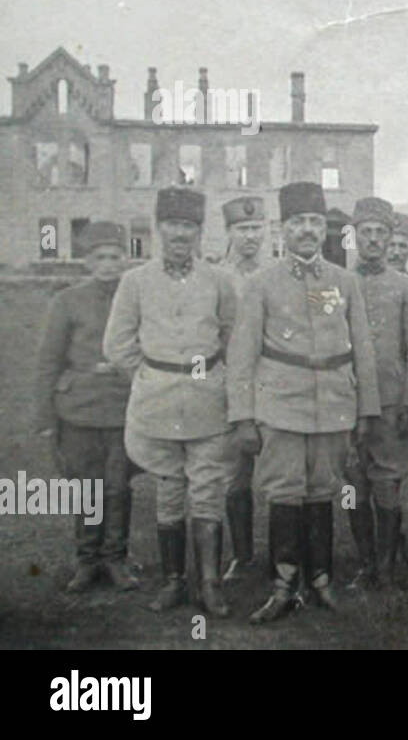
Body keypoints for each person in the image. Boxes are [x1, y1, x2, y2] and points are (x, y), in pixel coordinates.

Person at [227, 181, 383, 624]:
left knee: (323, 491)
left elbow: (363, 349)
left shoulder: (344, 281)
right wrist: (242, 416)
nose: (308, 231)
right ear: (283, 228)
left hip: (333, 403)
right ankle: (283, 584)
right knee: (284, 492)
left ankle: (320, 579)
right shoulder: (261, 283)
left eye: (315, 222)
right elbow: (242, 353)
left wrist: (365, 409)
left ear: (324, 227)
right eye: (298, 223)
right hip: (281, 404)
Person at [104, 187, 238, 617]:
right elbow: (118, 345)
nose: (181, 233)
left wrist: (219, 381)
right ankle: (173, 581)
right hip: (156, 402)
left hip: (208, 401)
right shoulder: (135, 281)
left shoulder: (218, 280)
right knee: (168, 490)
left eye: (189, 226)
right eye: (173, 225)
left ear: (199, 232)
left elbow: (232, 337)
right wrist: (151, 375)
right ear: (159, 228)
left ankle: (211, 584)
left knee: (208, 489)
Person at [35, 221, 139, 593]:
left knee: (117, 487)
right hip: (78, 409)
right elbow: (48, 360)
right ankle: (86, 559)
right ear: (87, 262)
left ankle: (115, 559)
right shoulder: (67, 301)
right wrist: (45, 417)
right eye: (100, 258)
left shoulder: (136, 297)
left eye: (115, 257)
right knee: (85, 488)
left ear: (125, 259)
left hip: (122, 408)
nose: (108, 264)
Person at [343, 198, 408, 590]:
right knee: (351, 484)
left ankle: (387, 566)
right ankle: (365, 561)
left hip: (391, 402)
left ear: (391, 237)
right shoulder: (338, 282)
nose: (374, 240)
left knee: (387, 481)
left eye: (381, 233)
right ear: (354, 236)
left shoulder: (407, 287)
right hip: (345, 401)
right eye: (366, 232)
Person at [216, 196, 267, 583]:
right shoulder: (217, 277)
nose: (250, 236)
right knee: (234, 476)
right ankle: (243, 555)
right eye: (242, 229)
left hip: (276, 382)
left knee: (284, 472)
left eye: (256, 228)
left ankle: (290, 560)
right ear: (229, 232)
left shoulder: (277, 272)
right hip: (232, 384)